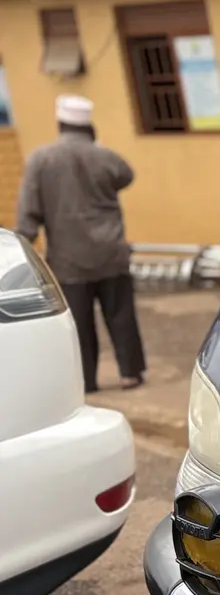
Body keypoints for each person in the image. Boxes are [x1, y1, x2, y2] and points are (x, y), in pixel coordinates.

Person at [15, 95, 146, 391]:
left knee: (78, 323)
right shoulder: (106, 157)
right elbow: (126, 176)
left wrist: (21, 248)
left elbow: (28, 214)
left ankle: (87, 381)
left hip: (68, 259)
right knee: (121, 315)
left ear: (60, 124)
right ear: (89, 127)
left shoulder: (40, 159)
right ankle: (130, 373)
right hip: (111, 252)